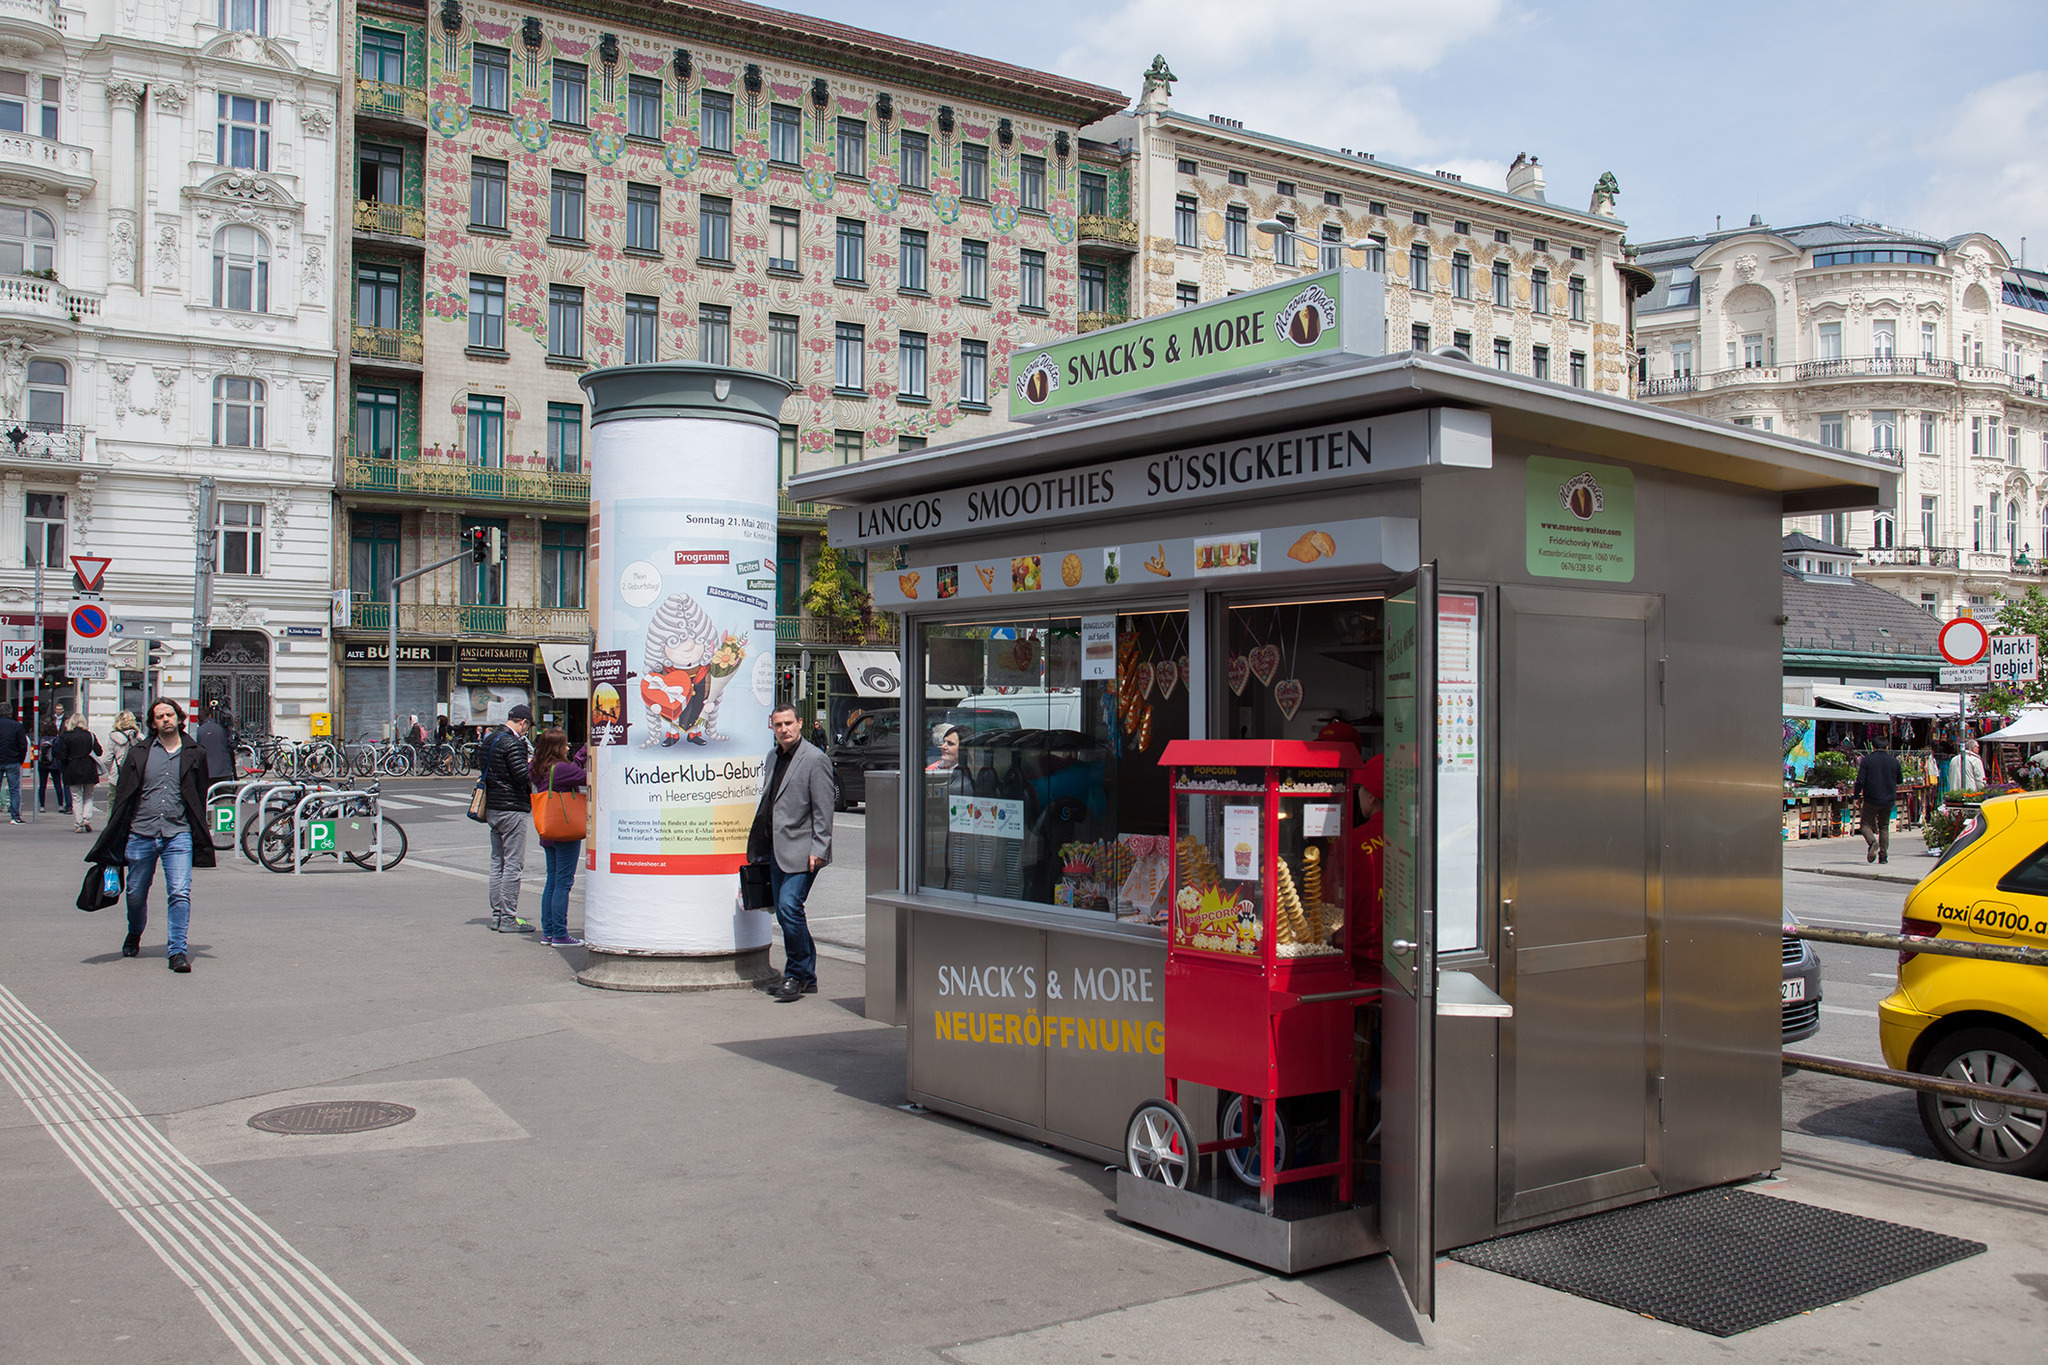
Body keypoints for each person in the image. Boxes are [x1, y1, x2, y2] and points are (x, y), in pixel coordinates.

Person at [86, 698, 215, 972]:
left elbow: (199, 793)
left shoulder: (195, 752)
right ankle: (135, 932)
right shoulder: (139, 753)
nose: (166, 719)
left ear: (179, 719)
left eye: (170, 715)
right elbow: (124, 796)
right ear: (152, 723)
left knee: (180, 892)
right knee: (135, 892)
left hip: (177, 834)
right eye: (160, 716)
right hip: (141, 834)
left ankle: (177, 951)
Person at [748, 702, 835, 1003]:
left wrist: (819, 848)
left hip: (803, 849)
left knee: (789, 907)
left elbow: (824, 810)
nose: (783, 729)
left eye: (788, 723)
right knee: (786, 914)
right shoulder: (773, 757)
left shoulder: (815, 759)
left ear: (800, 723)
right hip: (775, 847)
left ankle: (796, 974)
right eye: (778, 725)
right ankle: (807, 976)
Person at [529, 727, 587, 947]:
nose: (568, 747)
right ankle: (561, 934)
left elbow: (573, 770)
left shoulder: (536, 767)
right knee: (564, 882)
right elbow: (585, 777)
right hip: (565, 830)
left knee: (552, 881)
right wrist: (584, 752)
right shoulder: (561, 769)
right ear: (557, 747)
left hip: (548, 828)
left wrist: (578, 756)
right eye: (564, 744)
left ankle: (549, 932)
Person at [481, 703, 536, 932]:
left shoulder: (489, 740)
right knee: (513, 864)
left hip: (492, 806)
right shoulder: (513, 743)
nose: (527, 732)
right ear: (523, 722)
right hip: (512, 807)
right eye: (527, 728)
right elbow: (522, 775)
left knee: (497, 863)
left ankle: (496, 914)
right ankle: (509, 918)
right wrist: (532, 762)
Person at [1853, 734, 1903, 865]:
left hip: (1871, 798)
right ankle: (1883, 856)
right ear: (1887, 747)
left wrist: (1856, 796)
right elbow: (1900, 780)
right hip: (1888, 799)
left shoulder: (1867, 760)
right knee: (1884, 827)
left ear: (1873, 747)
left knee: (1865, 825)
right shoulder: (1894, 761)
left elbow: (1860, 781)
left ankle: (1872, 842)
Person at [57, 712, 103, 833]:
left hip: (73, 767)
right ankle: (87, 818)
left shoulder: (66, 736)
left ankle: (78, 823)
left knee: (76, 797)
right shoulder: (90, 735)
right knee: (88, 795)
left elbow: (62, 754)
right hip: (88, 767)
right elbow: (99, 752)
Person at [195, 702, 234, 787]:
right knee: (224, 797)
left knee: (206, 797)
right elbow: (232, 745)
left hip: (205, 771)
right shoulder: (221, 729)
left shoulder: (197, 732)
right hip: (223, 770)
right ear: (209, 715)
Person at [0, 705, 25, 824]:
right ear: (11, 712)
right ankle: (15, 816)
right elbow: (22, 745)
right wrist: (20, 759)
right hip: (13, 760)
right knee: (14, 789)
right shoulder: (17, 726)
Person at [37, 722, 68, 813]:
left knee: (42, 785)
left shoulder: (40, 739)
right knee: (58, 784)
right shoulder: (56, 740)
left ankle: (42, 806)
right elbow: (58, 752)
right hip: (54, 765)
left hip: (42, 764)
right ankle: (60, 805)